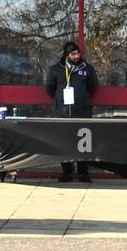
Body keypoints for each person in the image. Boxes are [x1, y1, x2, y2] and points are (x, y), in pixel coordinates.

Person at [44, 41, 99, 183]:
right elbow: (49, 88)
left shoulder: (87, 69)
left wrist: (82, 99)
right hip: (62, 114)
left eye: (78, 53)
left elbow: (93, 87)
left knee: (83, 145)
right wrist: (59, 100)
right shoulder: (56, 69)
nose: (76, 56)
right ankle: (67, 172)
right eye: (73, 54)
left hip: (82, 113)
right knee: (63, 143)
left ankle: (83, 172)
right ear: (67, 55)